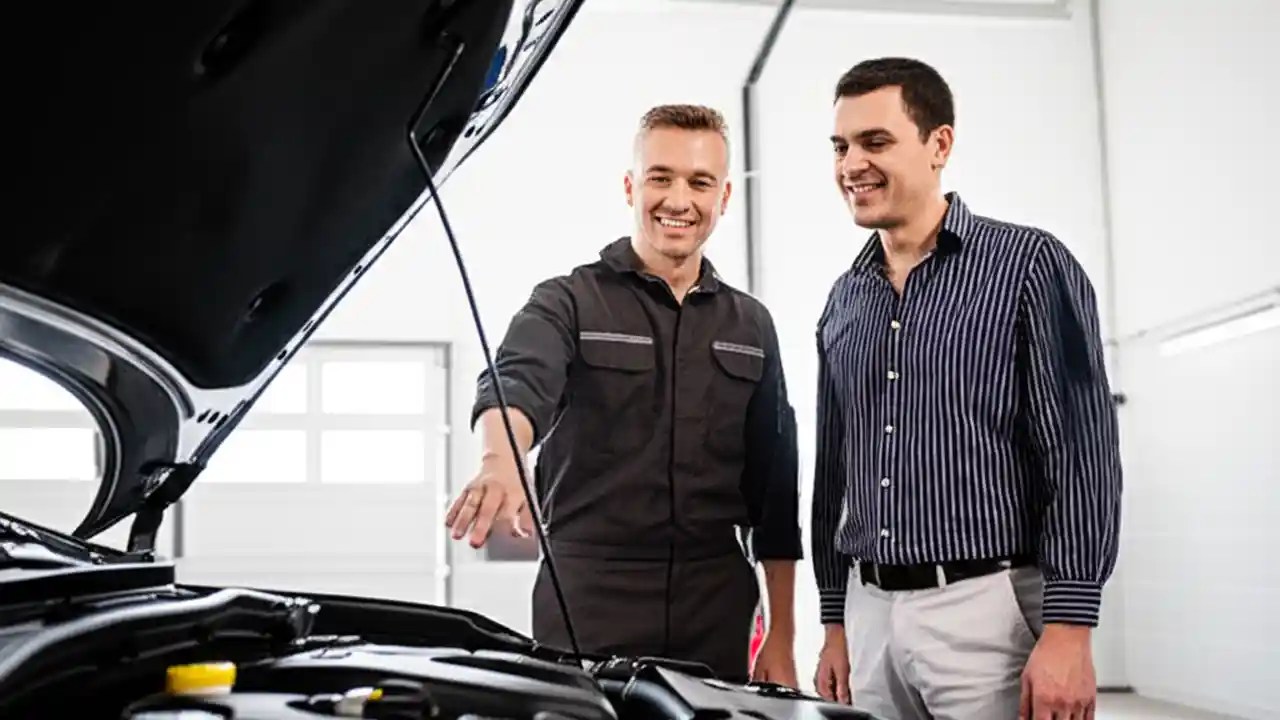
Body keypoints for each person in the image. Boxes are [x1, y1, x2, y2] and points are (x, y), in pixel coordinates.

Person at [444, 104, 803, 687]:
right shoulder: (568, 301)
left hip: (716, 603)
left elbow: (776, 492)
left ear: (724, 196)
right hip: (589, 597)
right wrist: (500, 461)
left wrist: (782, 635)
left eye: (699, 182)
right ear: (631, 186)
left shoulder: (751, 324)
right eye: (661, 177)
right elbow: (517, 378)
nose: (679, 200)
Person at [809, 57, 1123, 720]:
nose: (852, 164)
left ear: (939, 144)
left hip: (987, 611)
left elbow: (1080, 454)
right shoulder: (844, 300)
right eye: (840, 146)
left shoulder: (1029, 266)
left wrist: (1070, 628)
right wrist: (834, 618)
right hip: (869, 617)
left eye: (875, 141)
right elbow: (833, 473)